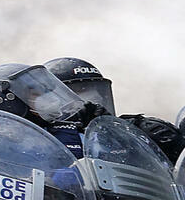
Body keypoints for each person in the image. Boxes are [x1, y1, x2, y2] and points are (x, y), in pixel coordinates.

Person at [46, 57, 182, 164]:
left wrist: (129, 130)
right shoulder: (45, 138)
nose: (96, 96)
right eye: (82, 90)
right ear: (54, 97)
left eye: (96, 89)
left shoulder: (125, 132)